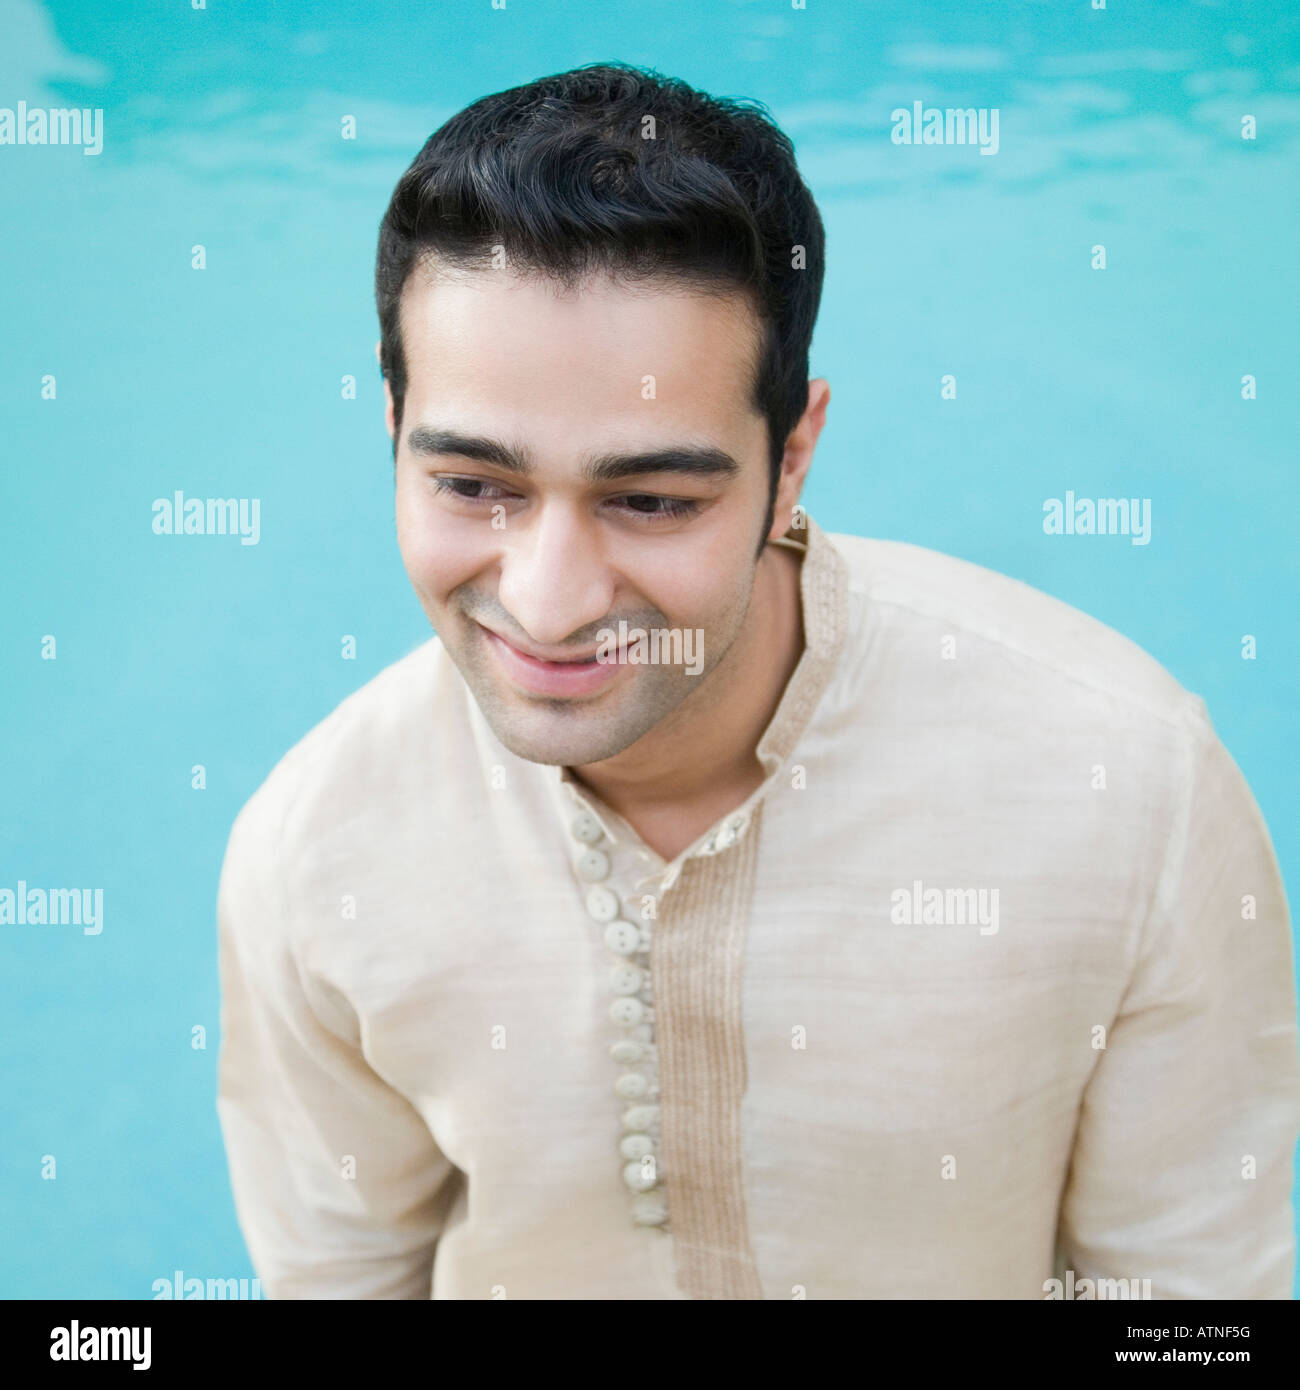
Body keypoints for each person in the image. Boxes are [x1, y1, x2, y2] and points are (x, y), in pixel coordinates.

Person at [215, 62, 1300, 1300]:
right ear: (391, 426)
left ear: (792, 461)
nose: (549, 598)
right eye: (474, 485)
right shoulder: (316, 850)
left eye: (650, 499)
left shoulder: (1130, 789)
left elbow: (1188, 1307)